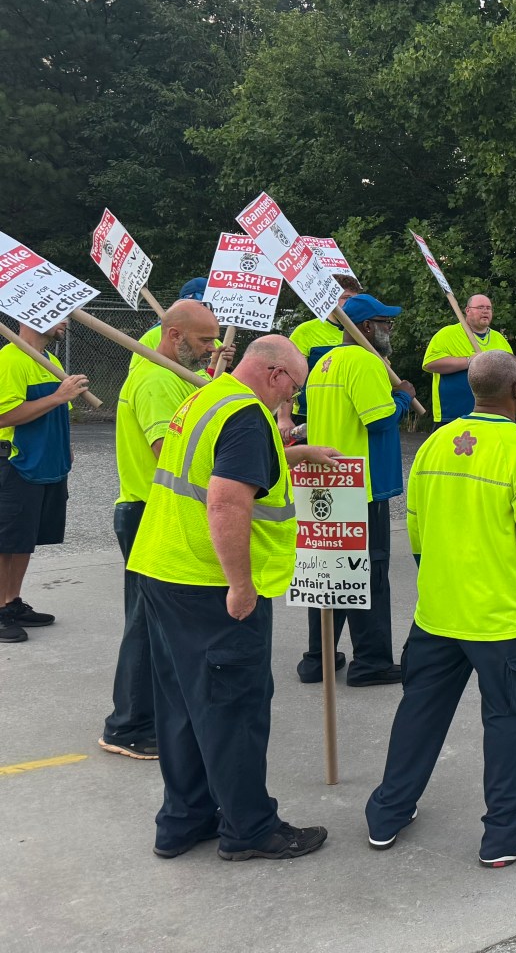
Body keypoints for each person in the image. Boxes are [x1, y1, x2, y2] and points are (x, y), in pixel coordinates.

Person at [366, 351, 516, 866]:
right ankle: (506, 833)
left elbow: (419, 533)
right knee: (510, 722)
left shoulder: (432, 445)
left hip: (438, 613)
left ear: (473, 389)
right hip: (502, 620)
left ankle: (387, 812)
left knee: (419, 715)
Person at [128, 335, 338, 860]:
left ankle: (184, 820)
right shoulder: (246, 417)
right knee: (233, 708)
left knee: (181, 705)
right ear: (274, 374)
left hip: (165, 569)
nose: (291, 400)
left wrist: (297, 454)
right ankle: (249, 829)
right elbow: (224, 501)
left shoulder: (208, 396)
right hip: (211, 586)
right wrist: (241, 585)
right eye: (294, 387)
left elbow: (217, 474)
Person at [100, 300, 219, 758]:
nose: (212, 349)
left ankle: (142, 717)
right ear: (175, 336)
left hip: (153, 510)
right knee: (146, 624)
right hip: (148, 510)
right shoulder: (155, 381)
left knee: (153, 621)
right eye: (205, 340)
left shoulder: (172, 377)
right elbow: (169, 452)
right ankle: (129, 725)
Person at [296, 294, 414, 686]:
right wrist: (404, 397)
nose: (389, 328)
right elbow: (378, 419)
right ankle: (372, 662)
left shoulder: (324, 361)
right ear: (364, 328)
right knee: (369, 574)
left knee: (328, 575)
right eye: (385, 321)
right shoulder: (365, 362)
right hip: (361, 484)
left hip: (325, 481)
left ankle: (319, 658)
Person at [0, 320, 88, 643]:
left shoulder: (50, 362)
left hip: (47, 463)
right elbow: (4, 416)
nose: (64, 321)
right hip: (15, 461)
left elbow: (57, 412)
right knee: (5, 538)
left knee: (25, 538)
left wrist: (65, 446)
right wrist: (58, 397)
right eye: (58, 314)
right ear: (32, 318)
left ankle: (11, 601)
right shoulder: (10, 359)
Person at [421, 293, 513, 428]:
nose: (485, 311)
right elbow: (430, 364)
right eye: (480, 307)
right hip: (452, 415)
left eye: (488, 308)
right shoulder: (447, 334)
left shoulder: (499, 340)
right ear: (468, 311)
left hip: (492, 416)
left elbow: (512, 374)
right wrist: (470, 361)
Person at [288, 272, 364, 426]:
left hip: (352, 415)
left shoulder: (365, 331)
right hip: (308, 414)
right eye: (347, 298)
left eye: (357, 299)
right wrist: (283, 419)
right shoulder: (306, 331)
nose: (353, 304)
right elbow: (288, 376)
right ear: (329, 299)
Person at [131, 278, 230, 376]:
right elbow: (139, 374)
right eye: (204, 340)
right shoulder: (152, 337)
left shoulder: (216, 343)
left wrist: (221, 368)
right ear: (175, 335)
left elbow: (208, 383)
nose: (211, 347)